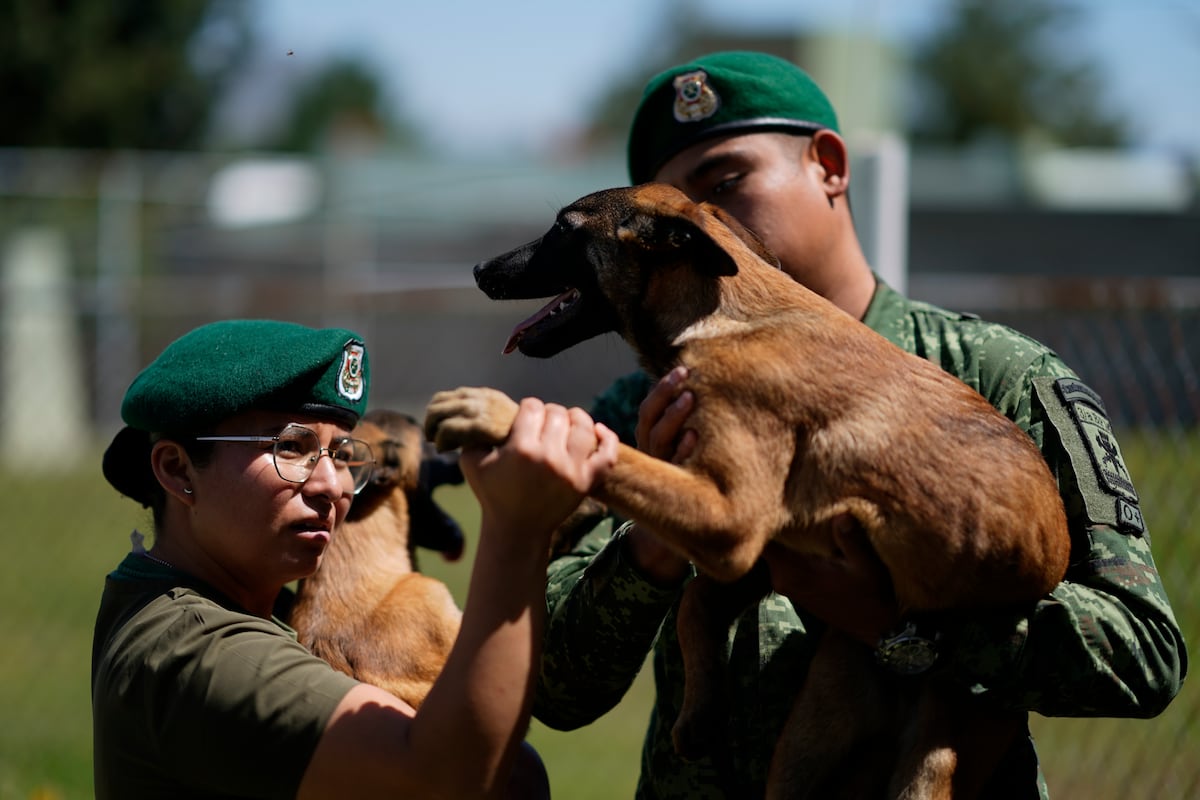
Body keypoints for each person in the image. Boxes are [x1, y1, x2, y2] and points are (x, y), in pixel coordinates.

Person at [531, 51, 1186, 798]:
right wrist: (658, 533)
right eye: (667, 215)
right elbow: (555, 690)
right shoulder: (638, 412)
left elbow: (1144, 657)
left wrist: (905, 634)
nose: (695, 229)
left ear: (829, 167)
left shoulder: (995, 377)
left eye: (723, 185)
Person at [93, 318, 619, 799]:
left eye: (343, 453)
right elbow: (453, 781)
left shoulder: (224, 598)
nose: (332, 486)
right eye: (290, 447)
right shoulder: (197, 652)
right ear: (178, 471)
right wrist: (517, 530)